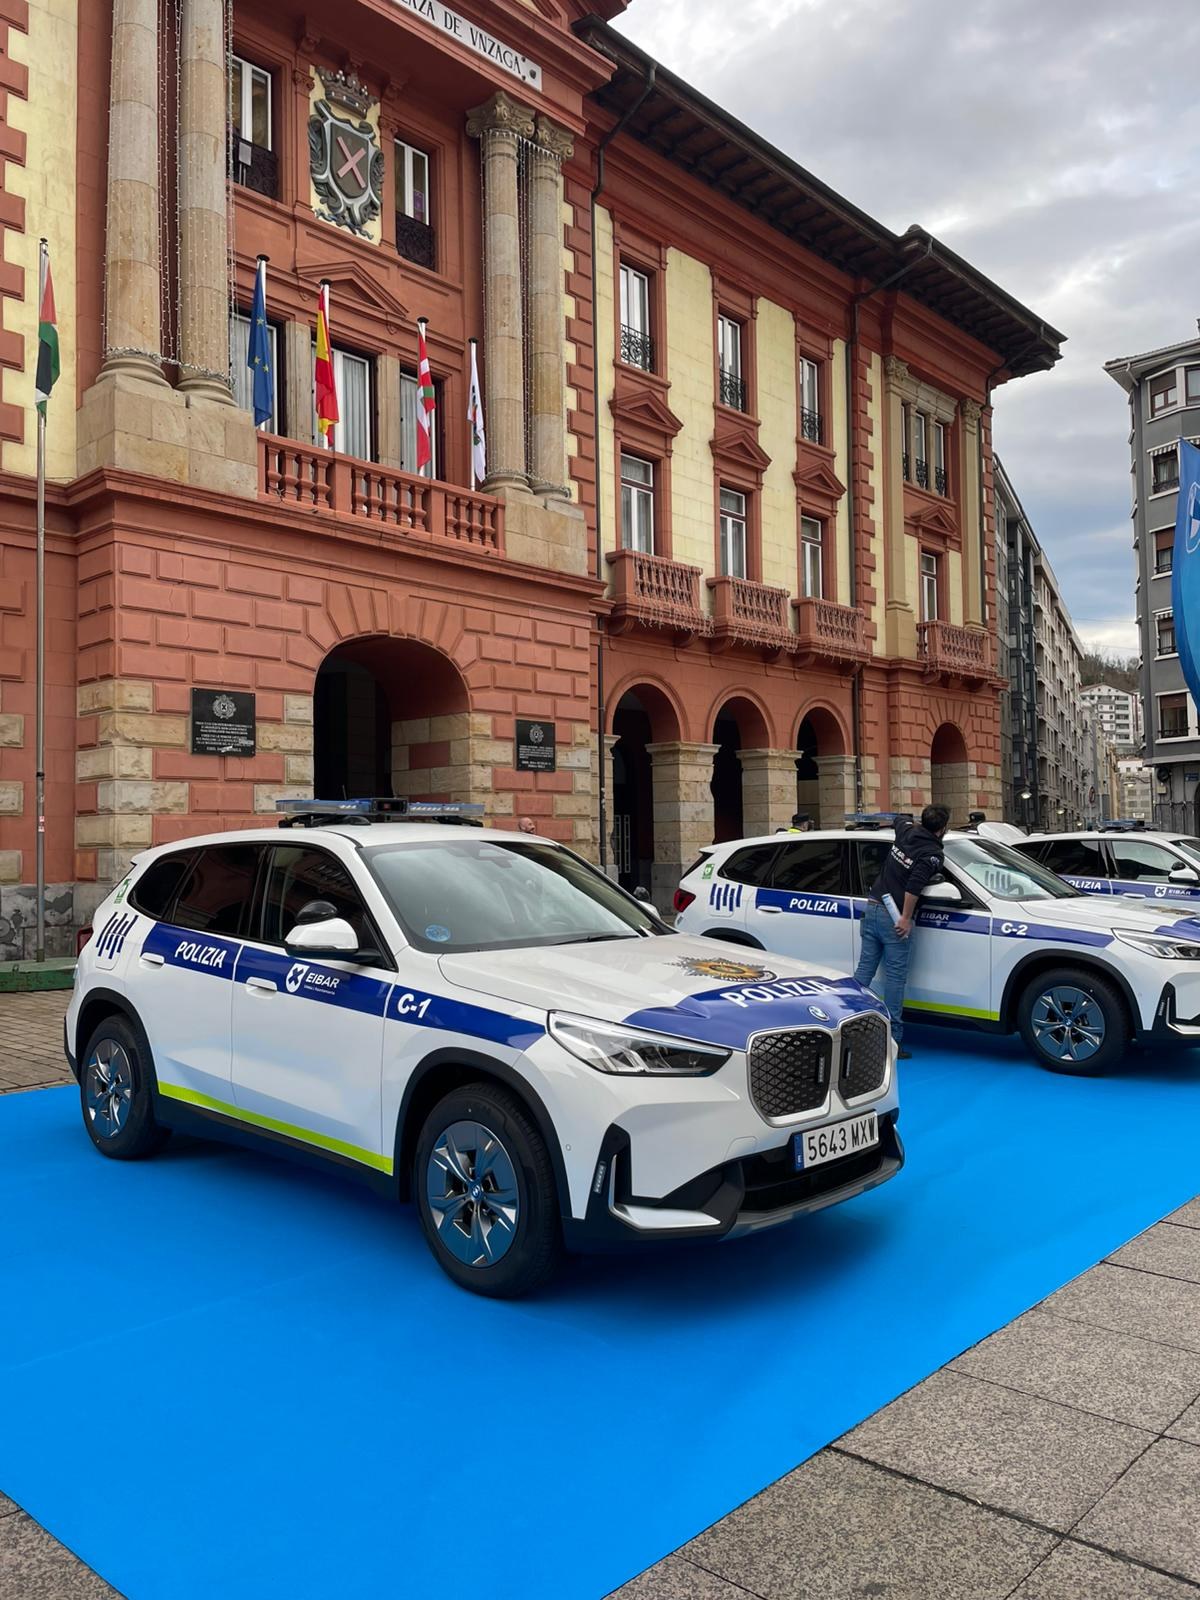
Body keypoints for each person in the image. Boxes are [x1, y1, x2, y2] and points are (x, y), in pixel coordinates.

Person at [853, 804, 950, 1060]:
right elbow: (914, 886)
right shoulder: (931, 853)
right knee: (895, 979)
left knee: (864, 971)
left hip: (872, 907)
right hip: (893, 916)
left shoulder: (906, 832)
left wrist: (877, 819)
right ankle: (894, 1041)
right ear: (942, 829)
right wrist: (906, 918)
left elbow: (898, 819)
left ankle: (848, 1024)